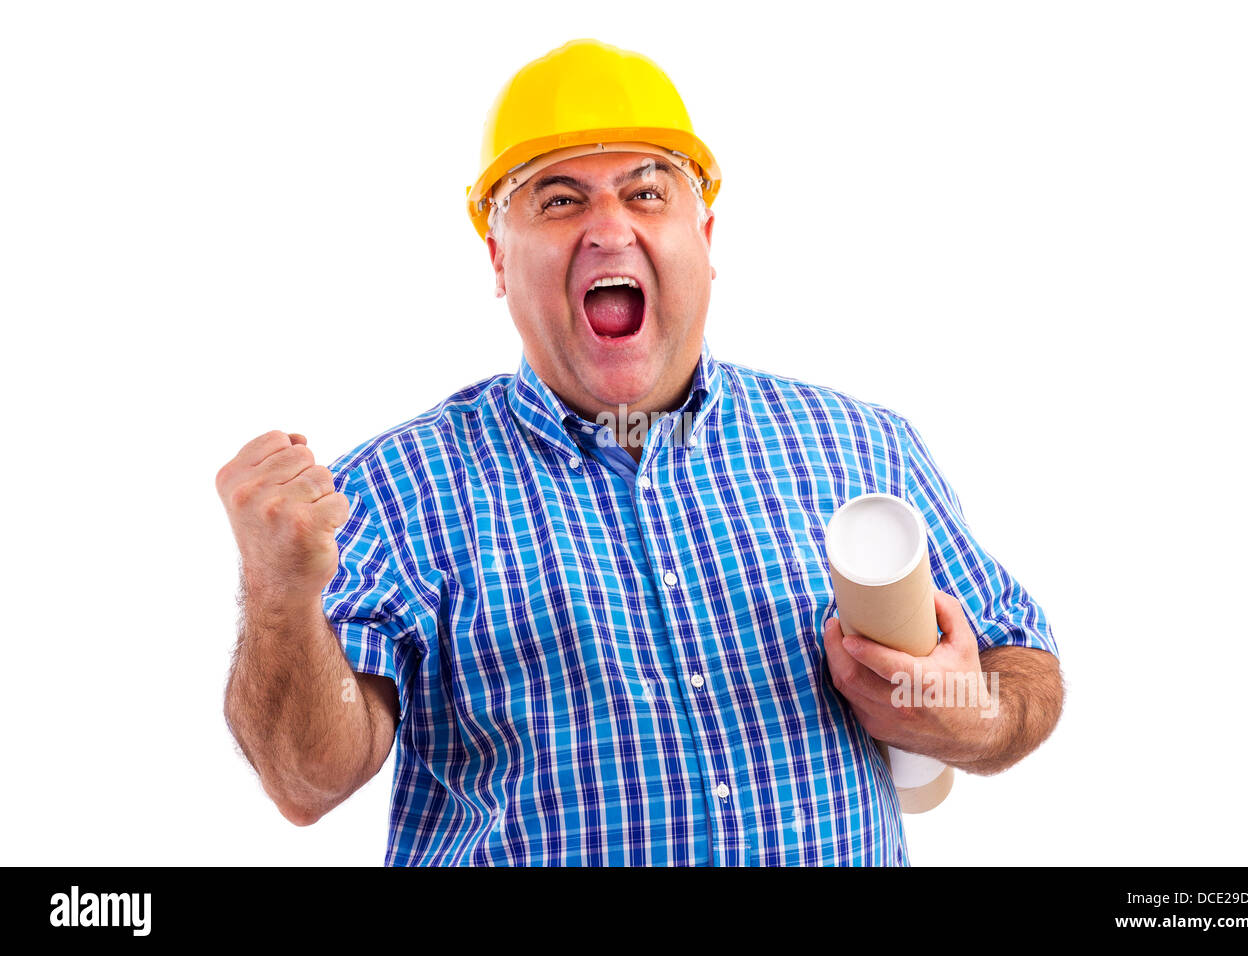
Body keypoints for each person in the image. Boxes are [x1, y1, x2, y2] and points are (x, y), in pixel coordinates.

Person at [216, 38, 1063, 866]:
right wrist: (280, 592)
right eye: (558, 199)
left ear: (707, 235)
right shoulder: (398, 490)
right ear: (498, 258)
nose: (609, 230)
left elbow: (1023, 656)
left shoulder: (861, 448)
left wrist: (969, 715)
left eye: (648, 192)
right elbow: (307, 780)